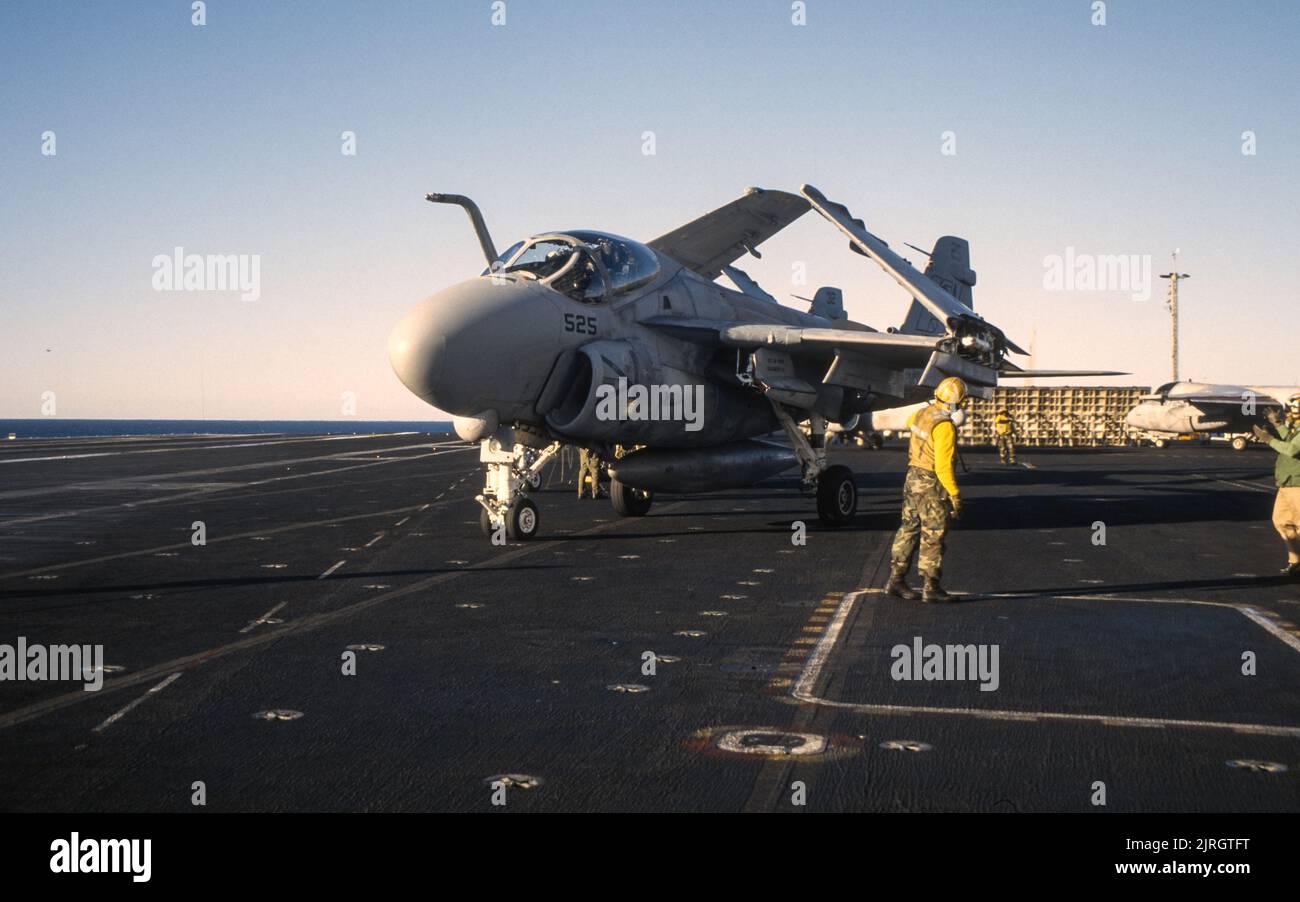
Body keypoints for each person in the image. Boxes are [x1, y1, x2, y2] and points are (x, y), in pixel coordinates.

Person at [886, 377, 968, 603]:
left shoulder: (921, 414)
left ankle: (896, 579)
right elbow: (942, 467)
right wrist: (955, 494)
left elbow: (912, 426)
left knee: (908, 528)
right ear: (958, 403)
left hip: (912, 477)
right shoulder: (944, 427)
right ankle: (931, 586)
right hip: (931, 482)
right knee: (933, 533)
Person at [1253, 393, 1300, 577]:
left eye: (1289, 409)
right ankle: (1295, 561)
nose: (1286, 413)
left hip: (1298, 483)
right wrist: (1278, 426)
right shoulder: (1296, 427)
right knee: (1282, 522)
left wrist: (1268, 439)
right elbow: (1290, 439)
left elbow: (1292, 449)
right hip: (1287, 483)